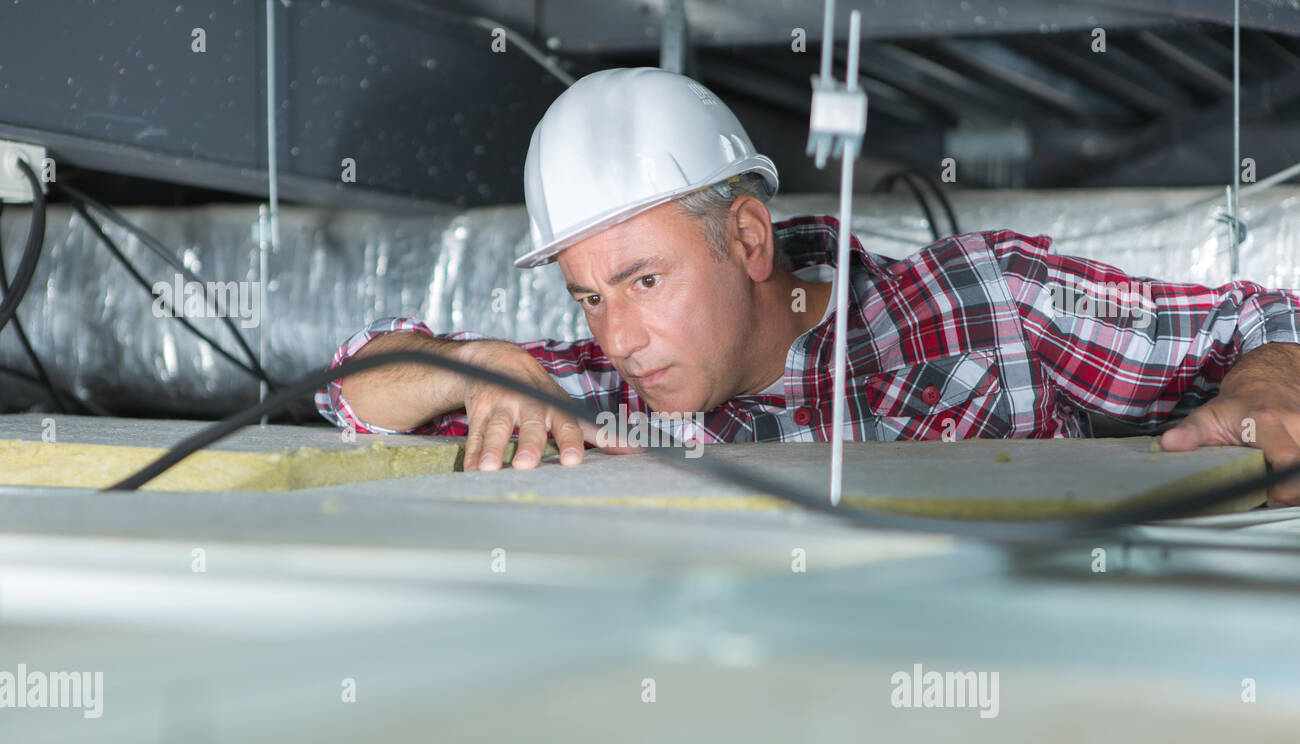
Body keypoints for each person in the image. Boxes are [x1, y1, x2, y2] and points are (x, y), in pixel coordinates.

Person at [316, 67, 1300, 506]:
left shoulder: (988, 305)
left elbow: (1258, 321)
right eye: (589, 295)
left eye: (644, 279)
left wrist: (1263, 389)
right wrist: (470, 364)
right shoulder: (593, 398)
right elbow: (349, 395)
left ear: (746, 237)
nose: (617, 335)